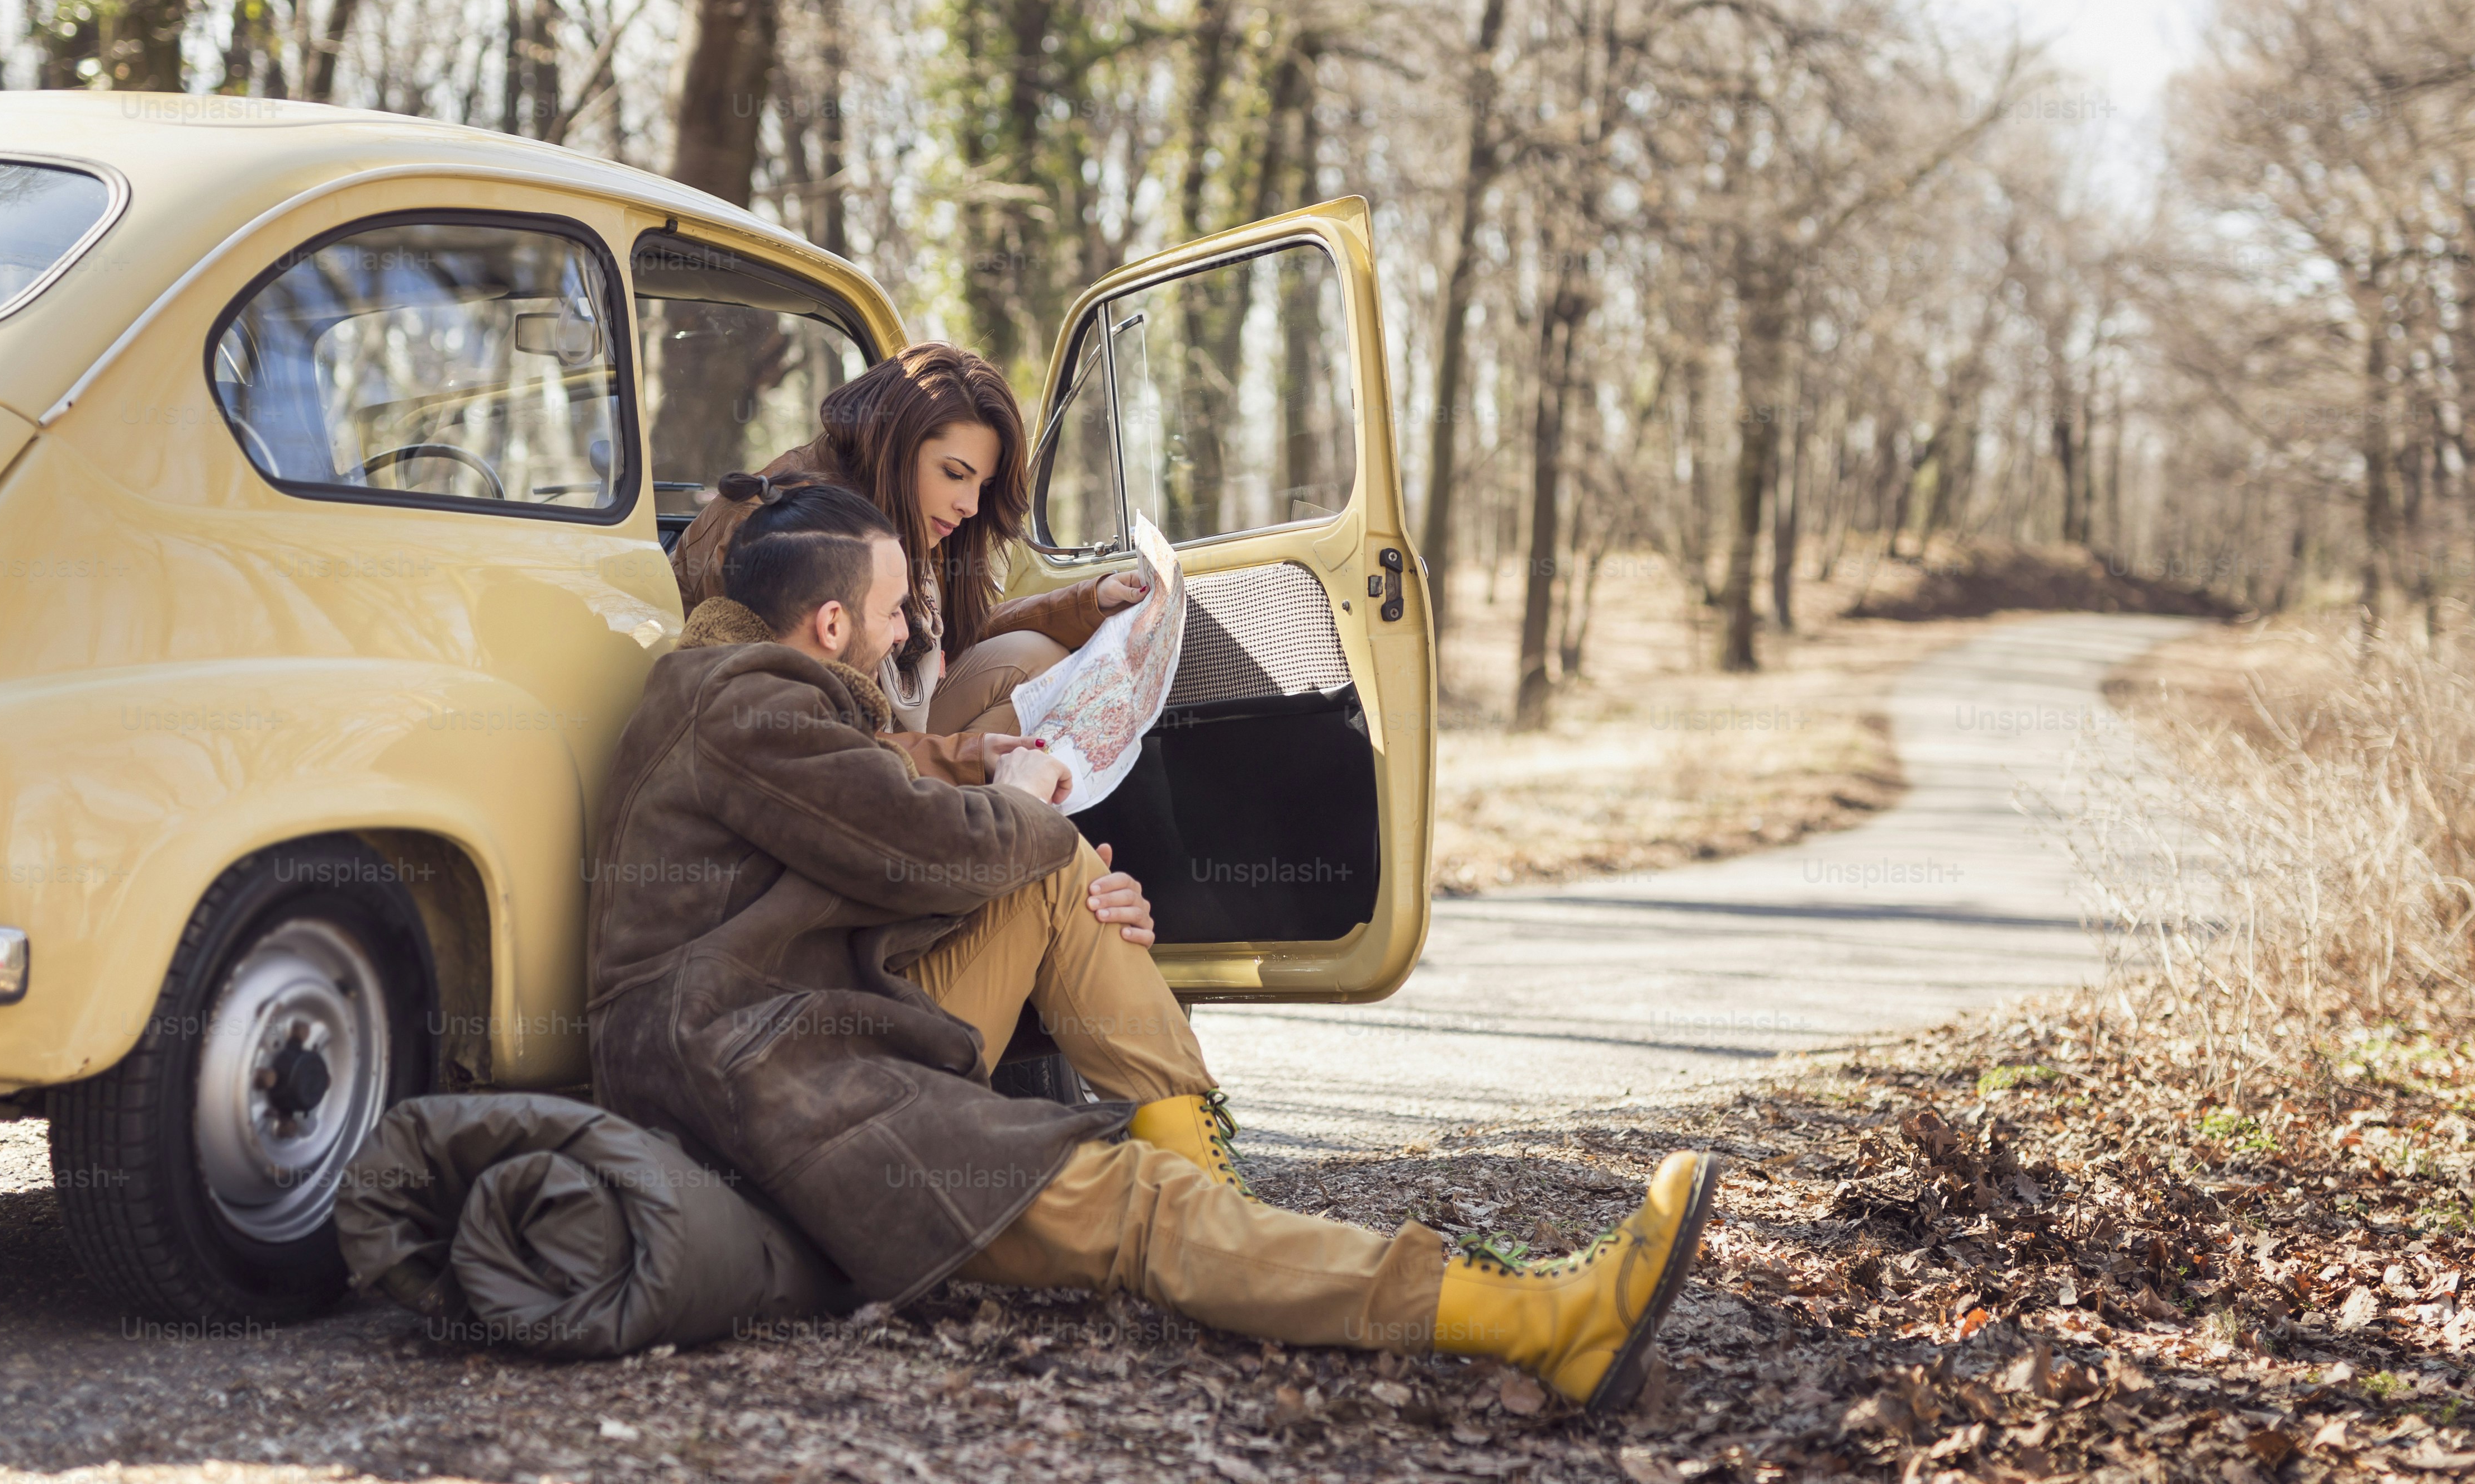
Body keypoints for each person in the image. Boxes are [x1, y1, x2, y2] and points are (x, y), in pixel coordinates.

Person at [587, 475, 1719, 1411]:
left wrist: (1002, 791)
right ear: (830, 626)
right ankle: (1539, 1320)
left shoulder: (751, 692)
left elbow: (869, 812)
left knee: (1062, 872)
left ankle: (1216, 1190)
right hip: (773, 1098)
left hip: (801, 1043)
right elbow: (911, 850)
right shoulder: (744, 706)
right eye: (892, 613)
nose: (906, 634)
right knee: (1139, 1207)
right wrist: (1020, 798)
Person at [668, 344, 1131, 783]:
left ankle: (974, 816)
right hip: (800, 758)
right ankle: (963, 825)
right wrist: (974, 757)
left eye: (983, 487)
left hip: (873, 723)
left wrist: (1088, 603)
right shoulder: (789, 533)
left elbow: (953, 632)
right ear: (898, 447)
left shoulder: (910, 511)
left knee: (1036, 657)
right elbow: (798, 741)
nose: (970, 505)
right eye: (954, 474)